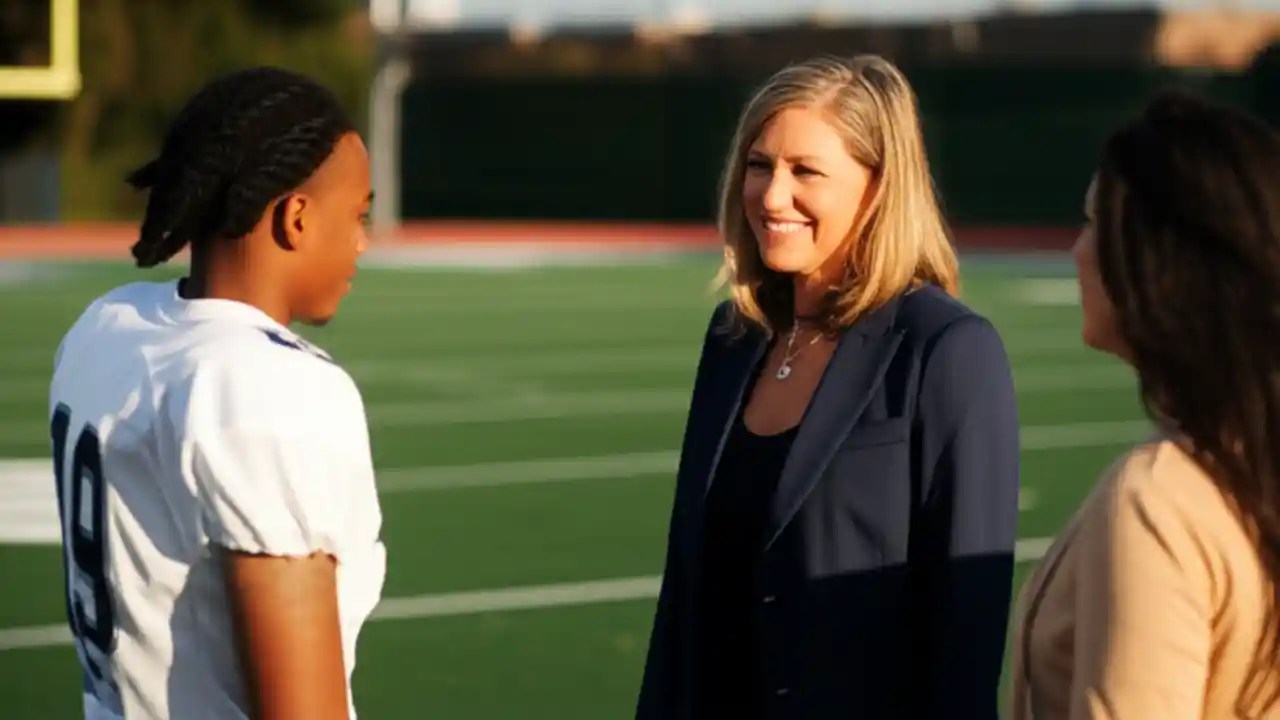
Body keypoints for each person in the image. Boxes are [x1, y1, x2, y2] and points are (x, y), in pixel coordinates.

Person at [636, 54, 1020, 719]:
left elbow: (966, 630)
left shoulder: (947, 350)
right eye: (760, 165)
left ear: (880, 188)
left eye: (805, 171)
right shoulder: (735, 337)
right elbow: (684, 598)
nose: (771, 196)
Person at [47, 66, 384, 720]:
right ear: (296, 217)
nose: (363, 242)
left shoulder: (105, 327)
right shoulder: (268, 388)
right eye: (357, 215)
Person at [1010, 92, 1280, 719]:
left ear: (1159, 269)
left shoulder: (1160, 500)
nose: (1076, 253)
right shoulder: (1246, 470)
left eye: (1093, 223)